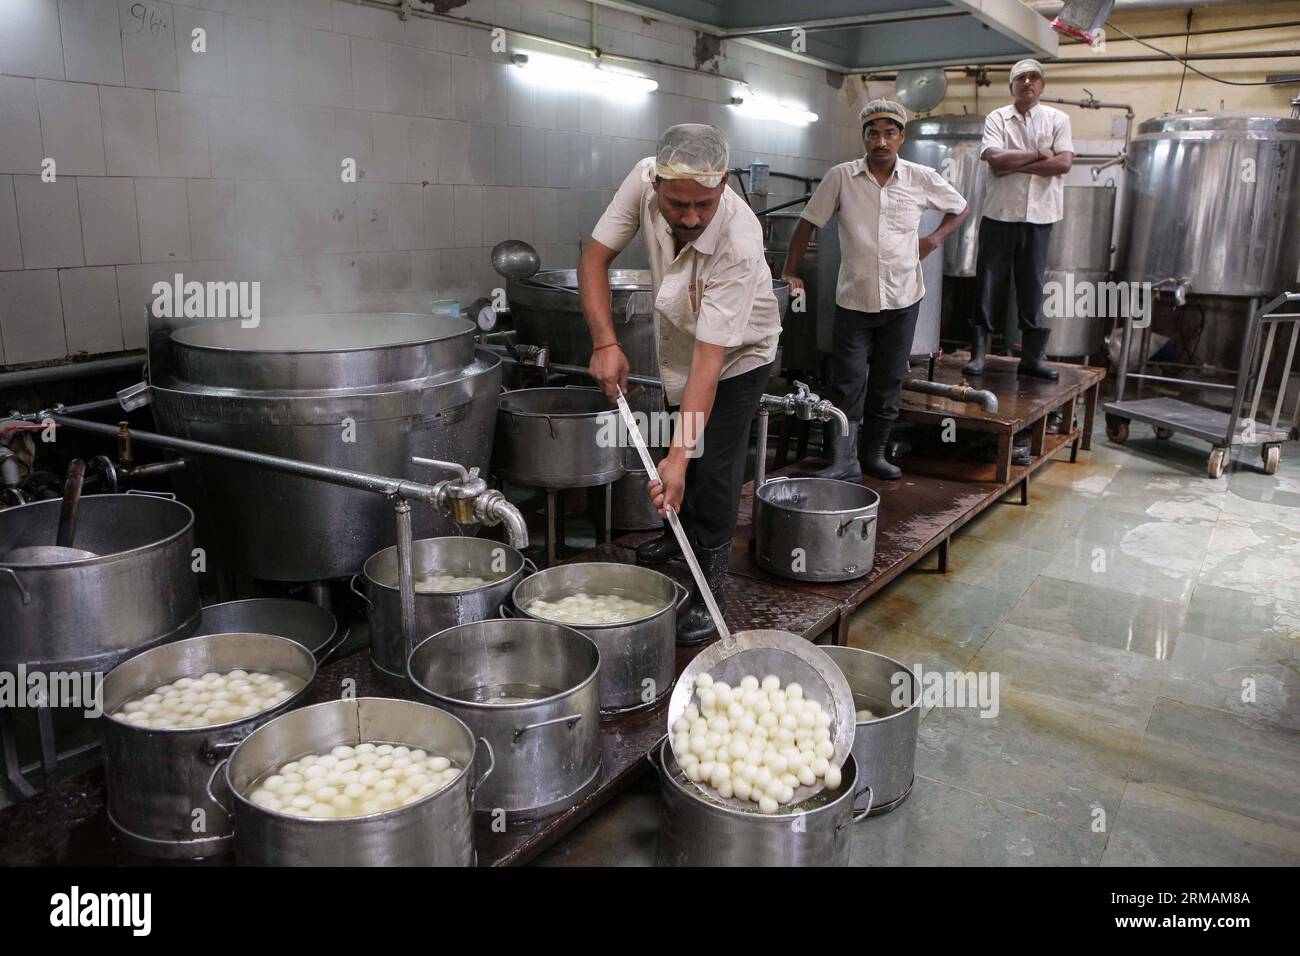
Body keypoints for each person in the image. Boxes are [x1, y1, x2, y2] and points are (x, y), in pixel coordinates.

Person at [579, 124, 781, 645]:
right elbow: (594, 259)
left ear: (725, 185)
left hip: (738, 356)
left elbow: (710, 363)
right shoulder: (643, 179)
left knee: (708, 467)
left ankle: (707, 583)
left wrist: (678, 456)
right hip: (679, 342)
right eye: (677, 205)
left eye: (703, 206)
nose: (690, 218)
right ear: (658, 185)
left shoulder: (739, 240)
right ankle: (678, 536)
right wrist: (605, 342)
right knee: (674, 444)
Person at [781, 99, 968, 480]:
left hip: (903, 300)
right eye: (873, 134)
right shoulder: (841, 177)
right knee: (847, 385)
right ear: (863, 138)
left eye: (889, 133)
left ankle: (874, 456)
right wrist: (789, 271)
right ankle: (842, 461)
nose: (881, 141)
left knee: (887, 383)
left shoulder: (920, 176)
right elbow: (806, 224)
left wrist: (933, 240)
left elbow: (960, 207)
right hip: (854, 301)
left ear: (901, 136)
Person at [963, 58, 1074, 382]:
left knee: (1033, 286)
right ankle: (979, 353)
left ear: (1042, 85)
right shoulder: (997, 118)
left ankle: (1032, 357)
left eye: (1033, 78)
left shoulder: (1058, 119)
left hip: (1040, 216)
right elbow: (995, 159)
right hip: (999, 213)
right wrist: (1040, 155)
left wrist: (1015, 164)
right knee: (987, 283)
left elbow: (1064, 163)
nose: (1027, 82)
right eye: (1021, 78)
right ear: (1012, 85)